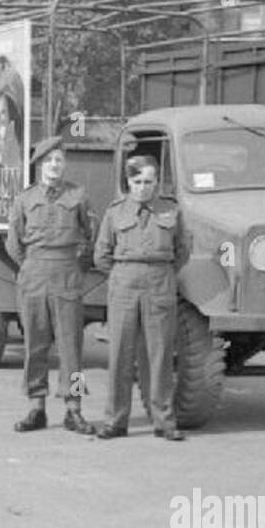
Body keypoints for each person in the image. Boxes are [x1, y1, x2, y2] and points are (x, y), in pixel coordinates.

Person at [6, 138, 94, 434]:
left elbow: (90, 236)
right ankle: (36, 407)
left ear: (64, 164)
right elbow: (14, 244)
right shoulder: (25, 199)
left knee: (72, 348)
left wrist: (74, 266)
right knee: (35, 345)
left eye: (59, 160)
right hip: (34, 275)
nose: (54, 165)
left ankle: (74, 409)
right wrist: (32, 267)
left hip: (67, 274)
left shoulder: (78, 196)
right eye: (49, 161)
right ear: (39, 165)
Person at [94, 156, 184, 441]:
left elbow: (182, 252)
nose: (143, 188)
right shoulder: (115, 213)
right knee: (120, 354)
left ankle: (164, 422)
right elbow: (101, 255)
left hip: (159, 285)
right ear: (128, 183)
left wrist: (159, 273)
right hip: (124, 286)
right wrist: (124, 275)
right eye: (137, 182)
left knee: (159, 357)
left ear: (157, 182)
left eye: (148, 181)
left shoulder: (171, 211)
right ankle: (115, 421)